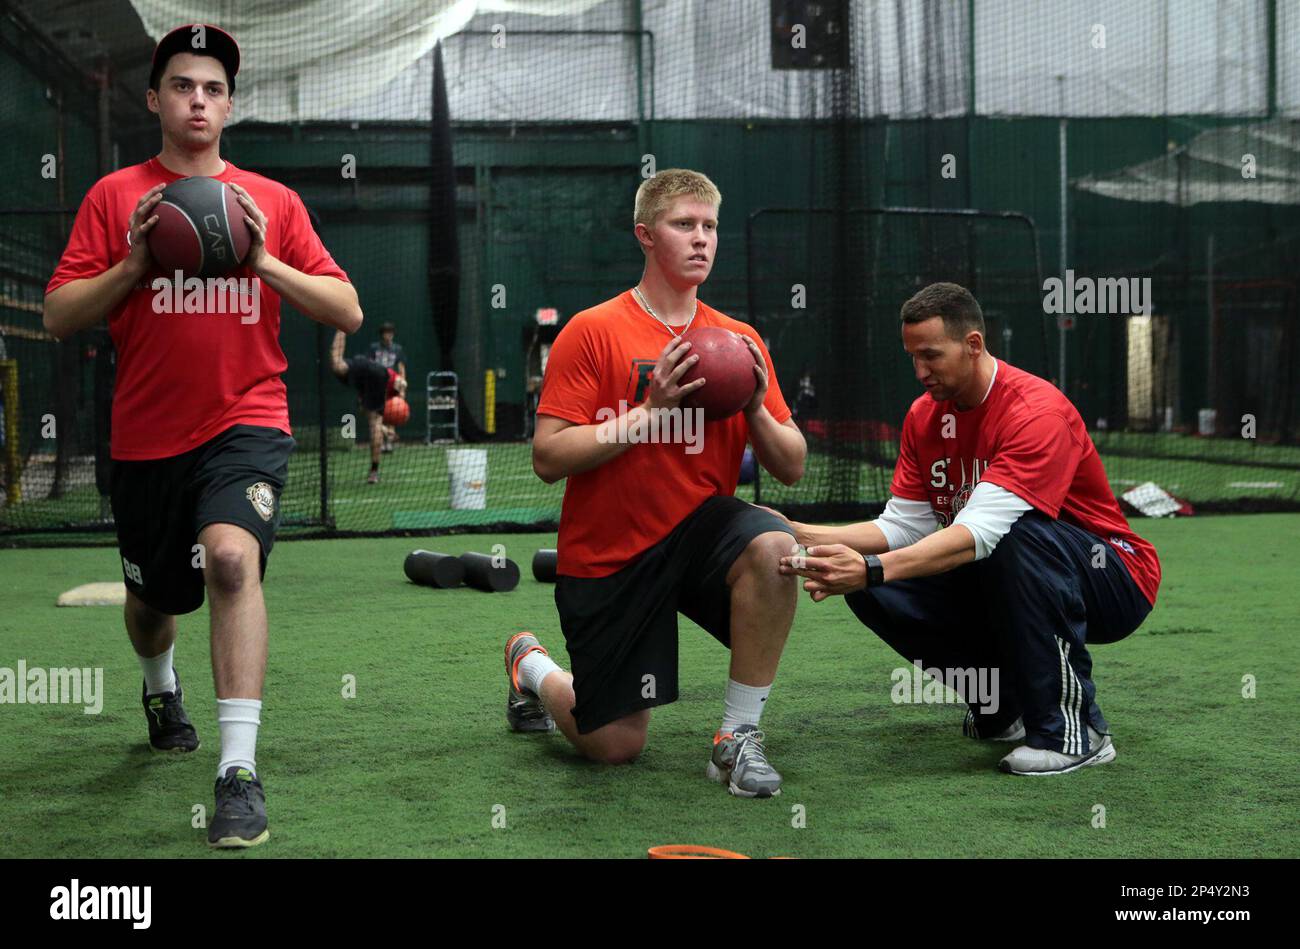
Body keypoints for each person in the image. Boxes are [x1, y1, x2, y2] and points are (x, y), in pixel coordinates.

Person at [43, 23, 363, 847]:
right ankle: (160, 684)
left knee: (231, 558)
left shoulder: (272, 203)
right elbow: (56, 316)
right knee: (153, 604)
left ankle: (237, 769)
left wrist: (261, 262)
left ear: (229, 105)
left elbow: (346, 308)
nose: (198, 100)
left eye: (214, 89)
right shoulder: (114, 197)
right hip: (146, 439)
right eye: (183, 85)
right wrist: (133, 265)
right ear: (155, 99)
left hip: (245, 421)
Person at [775, 282, 1160, 775]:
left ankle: (1075, 730)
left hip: (1112, 575)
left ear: (973, 344)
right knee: (881, 590)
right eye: (912, 356)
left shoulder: (1035, 411)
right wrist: (794, 531)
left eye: (931, 356)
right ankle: (1004, 706)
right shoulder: (924, 416)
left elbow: (980, 533)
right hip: (1008, 572)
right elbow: (902, 527)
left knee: (1011, 534)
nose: (919, 371)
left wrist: (871, 569)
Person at [507, 169, 808, 798]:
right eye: (684, 225)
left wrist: (754, 405)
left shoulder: (740, 340)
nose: (702, 239)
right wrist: (653, 412)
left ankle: (738, 738)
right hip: (612, 551)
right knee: (614, 746)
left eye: (710, 227)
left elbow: (792, 464)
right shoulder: (593, 331)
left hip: (700, 534)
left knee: (777, 546)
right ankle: (531, 666)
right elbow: (548, 456)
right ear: (646, 234)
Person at [330, 329, 406, 482]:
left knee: (337, 364)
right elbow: (401, 382)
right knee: (375, 422)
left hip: (363, 366)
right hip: (374, 374)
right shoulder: (387, 382)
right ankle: (374, 471)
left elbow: (400, 383)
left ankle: (341, 328)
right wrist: (401, 396)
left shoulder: (381, 387)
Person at [368, 321, 407, 452]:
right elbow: (369, 366)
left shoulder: (397, 349)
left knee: (392, 413)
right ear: (381, 334)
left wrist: (402, 388)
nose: (388, 335)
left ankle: (389, 442)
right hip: (377, 384)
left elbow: (401, 369)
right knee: (379, 413)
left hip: (392, 385)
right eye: (386, 333)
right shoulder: (374, 348)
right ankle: (381, 440)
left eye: (390, 333)